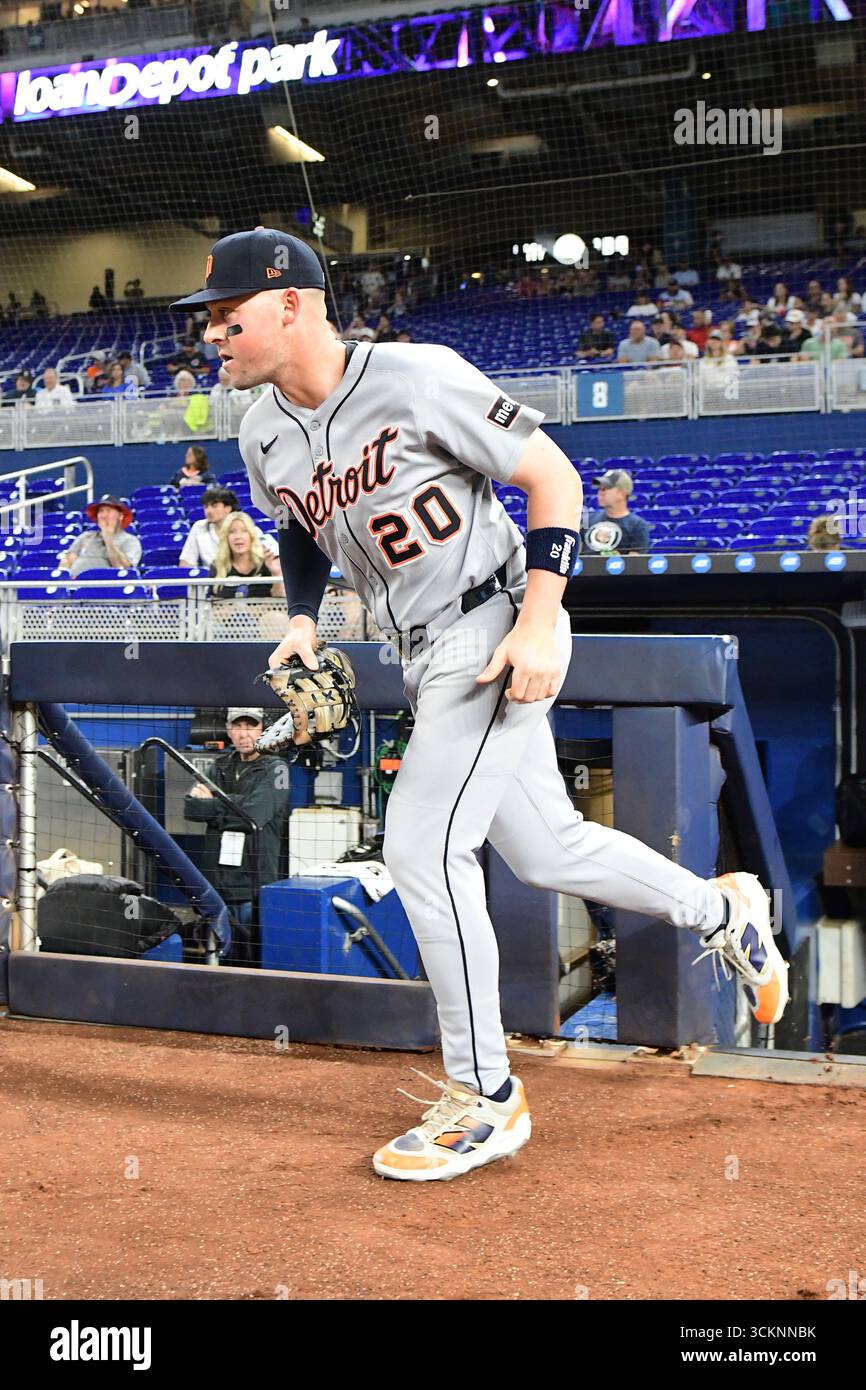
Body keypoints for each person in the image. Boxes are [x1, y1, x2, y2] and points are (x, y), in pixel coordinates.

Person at [169, 225, 789, 1182]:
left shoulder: (415, 377)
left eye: (227, 313)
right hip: (417, 651)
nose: (212, 333)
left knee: (422, 844)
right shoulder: (258, 430)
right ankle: (721, 912)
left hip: (493, 625)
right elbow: (300, 527)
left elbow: (554, 478)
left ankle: (486, 1094)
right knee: (548, 852)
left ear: (290, 304)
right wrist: (302, 618)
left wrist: (541, 623)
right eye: (208, 317)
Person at [184, 708, 290, 964]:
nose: (243, 734)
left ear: (263, 730)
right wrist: (236, 806)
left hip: (251, 885)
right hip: (216, 884)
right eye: (237, 727)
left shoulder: (278, 771)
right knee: (216, 957)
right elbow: (191, 808)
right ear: (229, 731)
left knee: (251, 959)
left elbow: (256, 815)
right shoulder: (218, 767)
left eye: (250, 726)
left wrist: (215, 803)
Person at [179, 487, 277, 568]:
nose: (208, 511)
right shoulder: (199, 527)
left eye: (214, 506)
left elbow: (274, 553)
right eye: (206, 507)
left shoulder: (247, 527)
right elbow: (186, 562)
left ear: (228, 508)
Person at [59, 494, 142, 576]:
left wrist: (108, 539)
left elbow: (122, 569)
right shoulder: (85, 536)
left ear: (120, 516)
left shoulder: (130, 540)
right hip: (76, 584)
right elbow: (68, 560)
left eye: (108, 510)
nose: (103, 515)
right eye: (101, 511)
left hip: (106, 586)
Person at [209, 510, 284, 599]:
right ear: (226, 537)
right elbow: (214, 605)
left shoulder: (266, 563)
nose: (238, 537)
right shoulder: (218, 565)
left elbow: (278, 601)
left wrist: (276, 573)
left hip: (264, 613)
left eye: (244, 531)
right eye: (232, 532)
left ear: (251, 536)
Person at [583, 469, 651, 554]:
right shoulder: (588, 520)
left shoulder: (637, 525)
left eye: (604, 489)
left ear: (621, 493)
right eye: (599, 489)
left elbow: (635, 563)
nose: (600, 492)